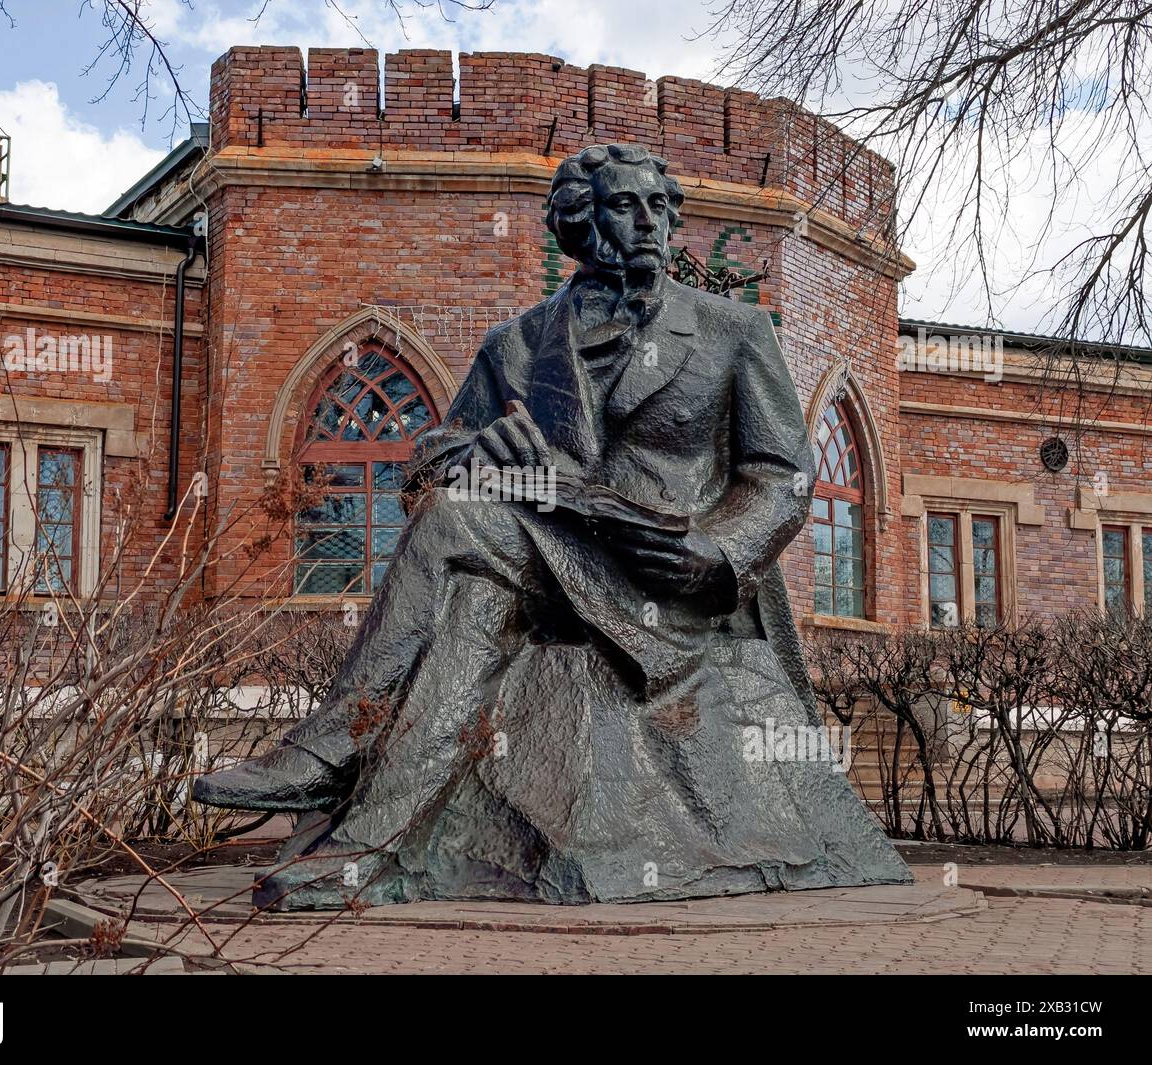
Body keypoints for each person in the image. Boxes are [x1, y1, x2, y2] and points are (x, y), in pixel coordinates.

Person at [194, 143, 911, 909]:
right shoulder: (519, 343)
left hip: (666, 583)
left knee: (469, 585)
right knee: (458, 538)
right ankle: (360, 834)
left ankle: (339, 779)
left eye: (659, 207)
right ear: (581, 221)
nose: (648, 222)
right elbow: (428, 462)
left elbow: (784, 475)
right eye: (624, 206)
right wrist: (477, 446)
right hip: (554, 566)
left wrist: (718, 551)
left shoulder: (733, 331)